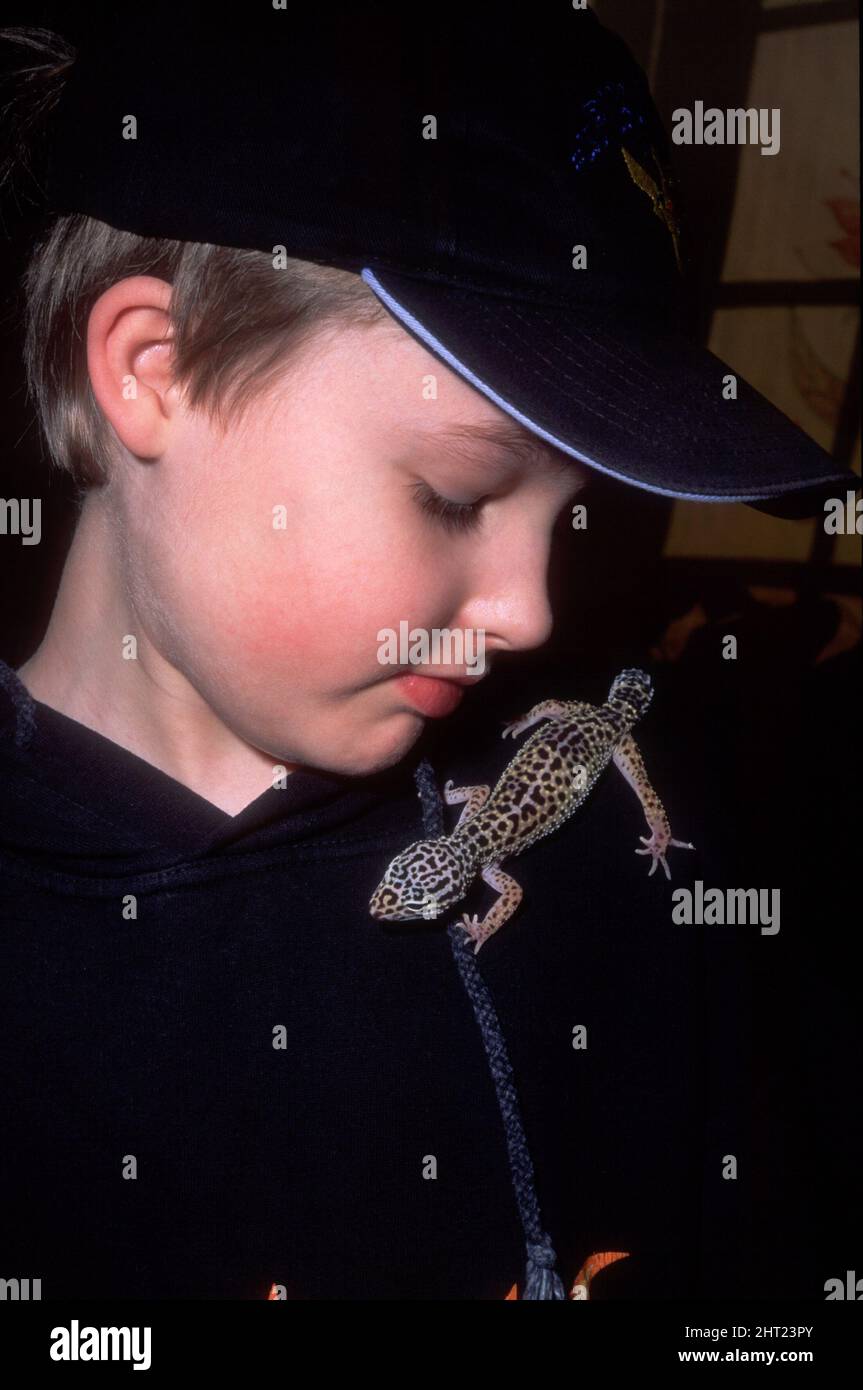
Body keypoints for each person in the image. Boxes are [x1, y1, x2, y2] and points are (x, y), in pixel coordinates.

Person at [0, 3, 855, 1300]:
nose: (534, 614)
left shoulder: (662, 869)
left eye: (577, 512)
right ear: (152, 371)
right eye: (455, 494)